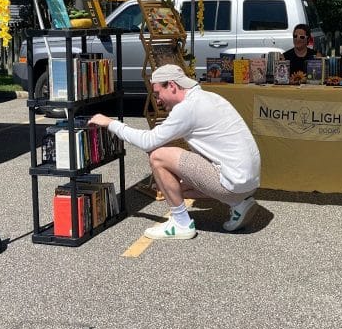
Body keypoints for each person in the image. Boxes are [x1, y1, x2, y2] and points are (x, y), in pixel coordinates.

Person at [89, 64, 261, 240]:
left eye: (157, 93)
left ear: (171, 86)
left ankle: (181, 224)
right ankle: (238, 203)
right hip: (249, 183)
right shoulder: (209, 97)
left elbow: (148, 141)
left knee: (158, 156)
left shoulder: (187, 108)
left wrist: (111, 123)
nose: (157, 100)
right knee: (175, 187)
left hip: (232, 182)